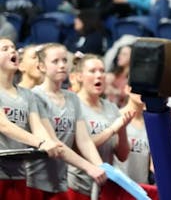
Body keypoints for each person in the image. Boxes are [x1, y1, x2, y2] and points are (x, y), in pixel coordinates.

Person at [27, 43, 107, 199]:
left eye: (64, 60)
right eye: (55, 61)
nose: (62, 65)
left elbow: (84, 140)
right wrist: (89, 168)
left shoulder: (72, 98)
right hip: (35, 183)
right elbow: (54, 142)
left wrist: (101, 167)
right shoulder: (34, 96)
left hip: (60, 181)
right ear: (41, 66)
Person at [0, 37, 63, 199]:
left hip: (19, 174)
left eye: (13, 48)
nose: (12, 51)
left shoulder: (27, 95)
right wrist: (40, 142)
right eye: (4, 49)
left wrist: (49, 141)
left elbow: (38, 128)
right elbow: (4, 125)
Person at [68, 53, 133, 199]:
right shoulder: (72, 105)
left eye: (102, 71)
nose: (99, 75)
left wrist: (122, 130)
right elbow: (77, 147)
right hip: (77, 187)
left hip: (104, 189)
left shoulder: (111, 108)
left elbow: (122, 156)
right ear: (79, 76)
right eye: (92, 71)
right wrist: (111, 130)